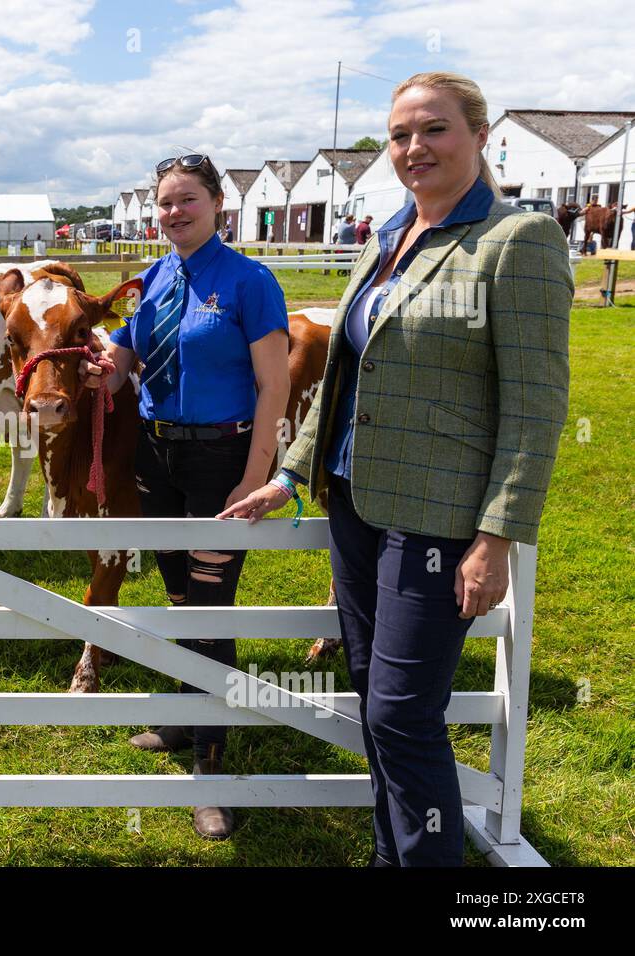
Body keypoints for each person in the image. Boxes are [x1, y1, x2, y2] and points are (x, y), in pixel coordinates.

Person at [220, 71, 571, 866]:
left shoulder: (517, 241)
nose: (415, 148)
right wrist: (288, 475)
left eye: (435, 130)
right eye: (401, 135)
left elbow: (536, 409)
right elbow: (342, 384)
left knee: (404, 713)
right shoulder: (388, 236)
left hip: (440, 518)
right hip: (353, 506)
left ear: (480, 138)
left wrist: (497, 538)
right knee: (381, 709)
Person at [78, 153, 290, 840]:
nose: (173, 212)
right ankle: (182, 715)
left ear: (218, 204)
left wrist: (253, 474)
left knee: (210, 606)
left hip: (221, 456)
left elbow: (274, 386)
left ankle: (212, 771)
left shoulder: (250, 281)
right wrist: (108, 367)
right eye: (164, 202)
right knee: (177, 599)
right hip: (156, 455)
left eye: (187, 199)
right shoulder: (158, 278)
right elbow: (131, 360)